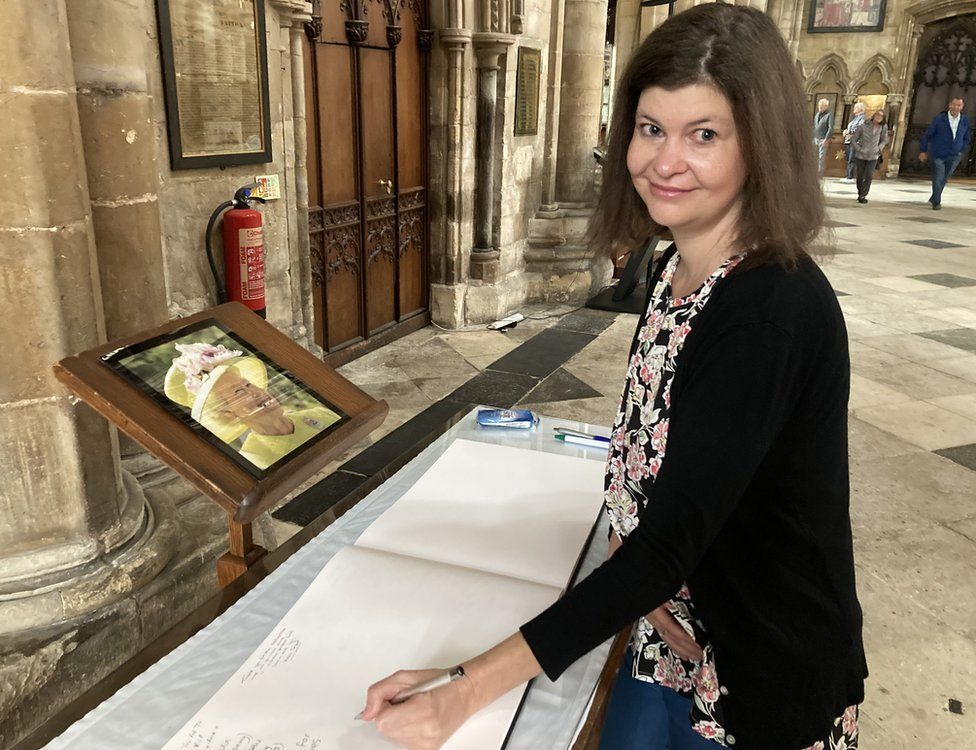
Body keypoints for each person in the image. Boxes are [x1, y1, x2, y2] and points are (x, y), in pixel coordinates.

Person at [360, 5, 867, 750]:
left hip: (757, 667)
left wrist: (460, 692)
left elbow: (674, 540)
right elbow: (667, 453)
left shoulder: (770, 308)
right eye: (651, 128)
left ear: (761, 145)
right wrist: (637, 550)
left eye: (705, 135)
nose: (664, 162)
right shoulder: (673, 266)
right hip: (665, 638)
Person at [164, 342, 341, 469]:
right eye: (238, 392)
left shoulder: (319, 414)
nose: (256, 392)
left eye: (247, 385)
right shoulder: (255, 460)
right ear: (228, 414)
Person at [919, 97, 972, 210]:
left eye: (959, 105)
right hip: (938, 153)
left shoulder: (964, 120)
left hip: (954, 154)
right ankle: (937, 202)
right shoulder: (940, 119)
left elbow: (967, 137)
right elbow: (928, 135)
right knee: (938, 176)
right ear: (950, 105)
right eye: (954, 105)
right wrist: (923, 150)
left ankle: (934, 197)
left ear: (962, 107)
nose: (956, 107)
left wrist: (961, 148)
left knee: (945, 177)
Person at [851, 109, 888, 204]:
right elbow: (854, 139)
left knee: (869, 175)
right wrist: (859, 149)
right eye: (877, 115)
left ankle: (863, 194)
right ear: (874, 116)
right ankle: (860, 192)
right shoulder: (863, 126)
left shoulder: (883, 127)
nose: (878, 117)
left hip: (873, 155)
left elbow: (884, 140)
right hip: (861, 155)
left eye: (881, 116)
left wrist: (879, 148)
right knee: (860, 175)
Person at [842, 101, 866, 182]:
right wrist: (846, 130)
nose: (854, 109)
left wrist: (849, 132)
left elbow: (859, 129)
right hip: (849, 141)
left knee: (852, 159)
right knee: (849, 158)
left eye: (855, 108)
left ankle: (850, 176)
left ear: (860, 109)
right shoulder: (855, 118)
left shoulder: (862, 118)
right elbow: (851, 127)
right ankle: (848, 175)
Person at [813, 98, 833, 175]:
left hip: (823, 139)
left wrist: (826, 139)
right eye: (819, 105)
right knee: (814, 157)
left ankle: (819, 174)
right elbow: (815, 126)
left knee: (821, 158)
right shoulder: (817, 114)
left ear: (826, 106)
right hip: (815, 138)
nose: (819, 107)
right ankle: (813, 174)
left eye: (821, 106)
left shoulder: (829, 115)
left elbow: (830, 128)